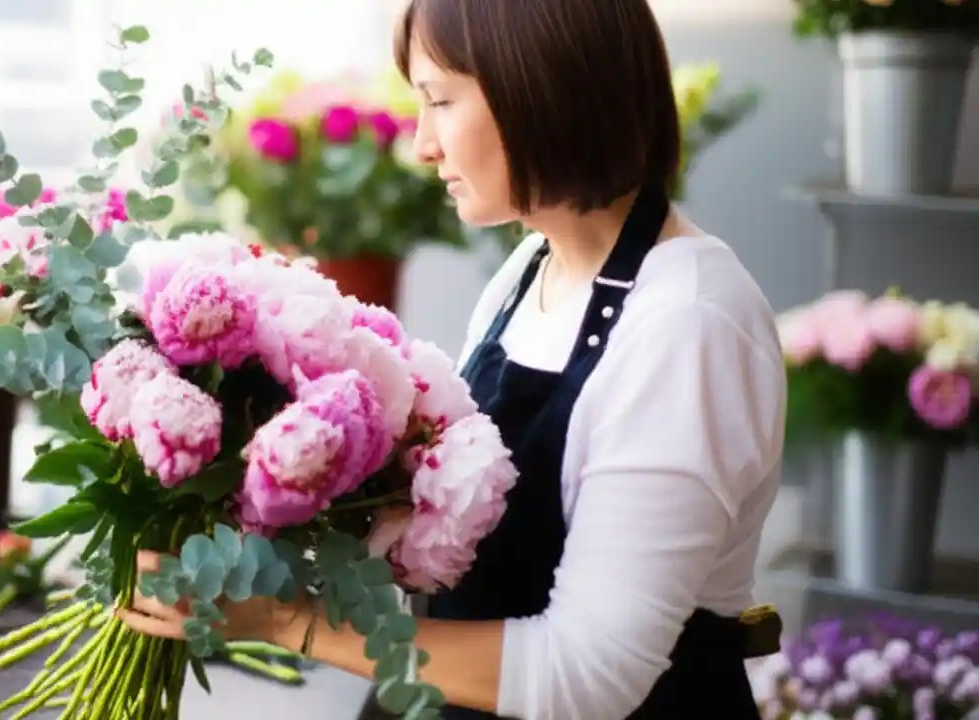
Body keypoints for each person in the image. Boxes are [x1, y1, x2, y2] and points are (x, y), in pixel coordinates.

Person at [119, 0, 787, 717]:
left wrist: (284, 619)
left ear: (544, 89)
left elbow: (586, 676)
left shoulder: (687, 325)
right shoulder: (532, 267)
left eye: (439, 101)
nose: (421, 146)